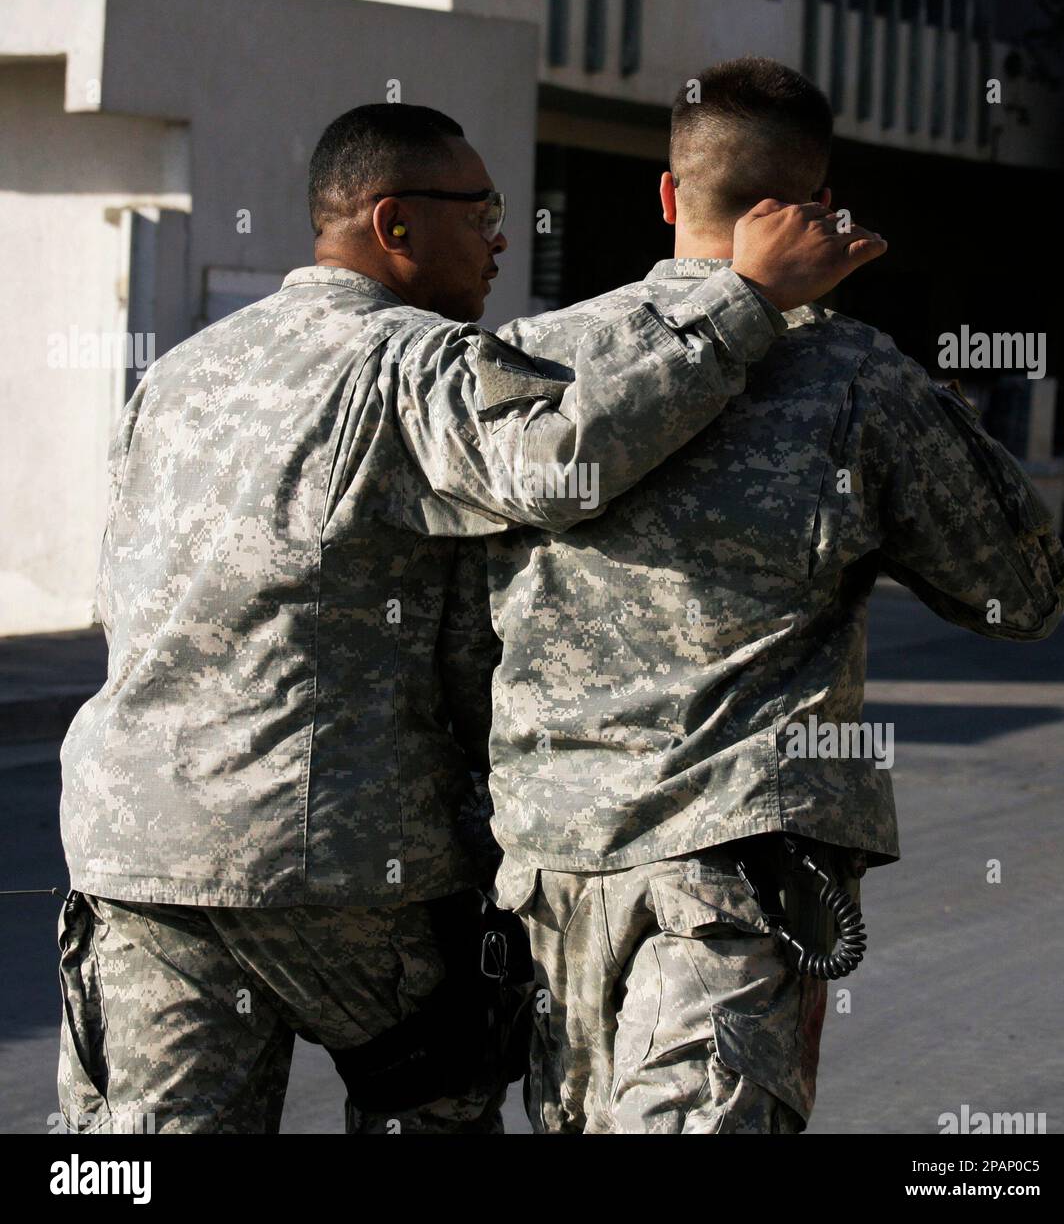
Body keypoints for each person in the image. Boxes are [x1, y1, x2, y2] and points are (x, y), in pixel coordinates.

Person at [56, 102, 882, 1134]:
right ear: (392, 225)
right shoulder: (408, 363)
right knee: (435, 1101)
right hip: (338, 864)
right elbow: (560, 462)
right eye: (484, 210)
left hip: (135, 855)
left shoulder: (177, 376)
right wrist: (744, 299)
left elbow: (116, 597)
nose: (502, 237)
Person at [476, 58, 1064, 1134]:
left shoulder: (530, 359)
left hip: (547, 874)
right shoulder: (853, 379)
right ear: (814, 208)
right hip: (730, 879)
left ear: (665, 194)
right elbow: (1021, 591)